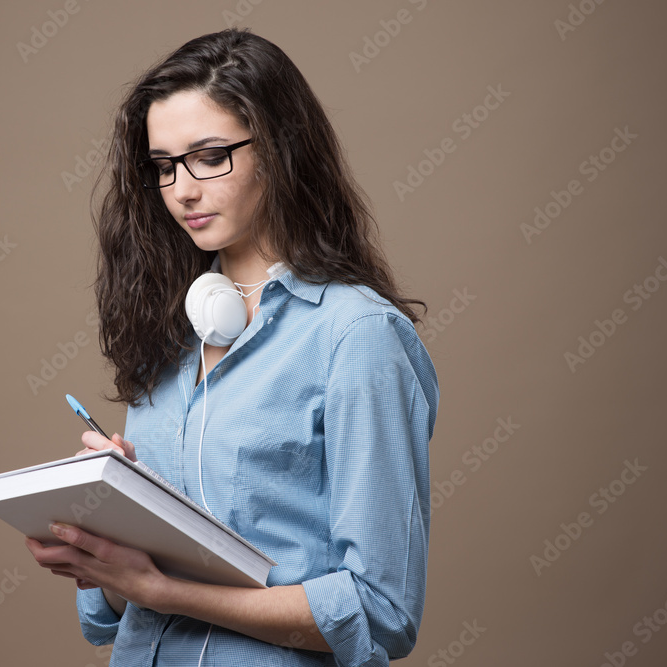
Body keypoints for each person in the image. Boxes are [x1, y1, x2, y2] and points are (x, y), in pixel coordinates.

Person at [24, 27, 439, 666]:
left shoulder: (358, 338)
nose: (182, 190)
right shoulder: (168, 329)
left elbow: (380, 613)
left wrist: (167, 590)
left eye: (210, 156)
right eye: (163, 166)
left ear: (279, 150)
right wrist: (111, 530)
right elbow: (109, 620)